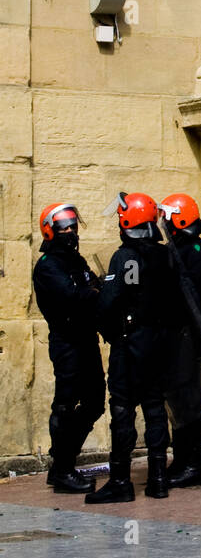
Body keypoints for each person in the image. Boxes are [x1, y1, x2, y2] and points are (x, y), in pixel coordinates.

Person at [86, 192, 179, 505]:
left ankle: (120, 480)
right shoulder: (166, 254)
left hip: (131, 343)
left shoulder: (125, 256)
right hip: (160, 344)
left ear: (128, 221)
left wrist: (108, 328)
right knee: (155, 408)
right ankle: (158, 479)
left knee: (123, 408)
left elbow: (110, 300)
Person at [32, 203, 105, 493]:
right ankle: (62, 469)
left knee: (95, 403)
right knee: (66, 403)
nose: (71, 232)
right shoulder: (49, 265)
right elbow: (76, 296)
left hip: (86, 338)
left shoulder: (76, 260)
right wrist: (93, 292)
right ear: (51, 230)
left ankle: (62, 463)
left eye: (73, 226)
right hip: (67, 342)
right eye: (65, 227)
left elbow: (93, 285)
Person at [157, 193, 201, 488]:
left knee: (188, 401)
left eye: (166, 217)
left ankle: (192, 464)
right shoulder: (188, 248)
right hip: (185, 336)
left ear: (178, 218)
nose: (163, 224)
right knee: (183, 399)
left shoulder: (192, 251)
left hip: (186, 336)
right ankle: (184, 461)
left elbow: (189, 297)